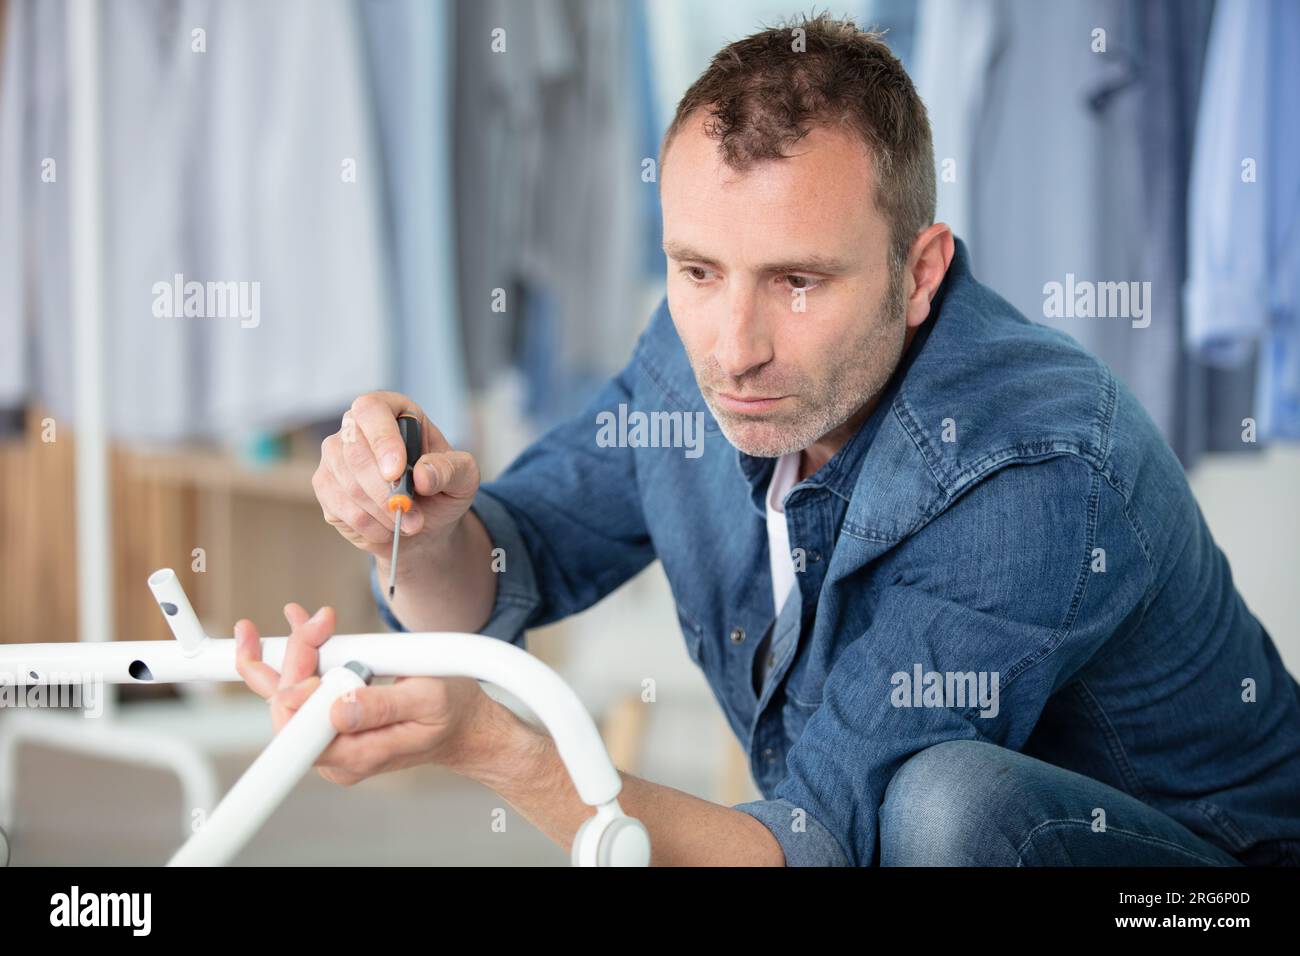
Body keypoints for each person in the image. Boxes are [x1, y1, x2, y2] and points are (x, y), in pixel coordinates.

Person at [235, 14, 1300, 866]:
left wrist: (493, 745)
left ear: (919, 271)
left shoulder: (1032, 469)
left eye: (797, 281)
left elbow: (809, 846)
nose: (732, 348)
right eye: (697, 269)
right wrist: (414, 519)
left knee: (943, 804)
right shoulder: (689, 347)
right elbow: (516, 558)